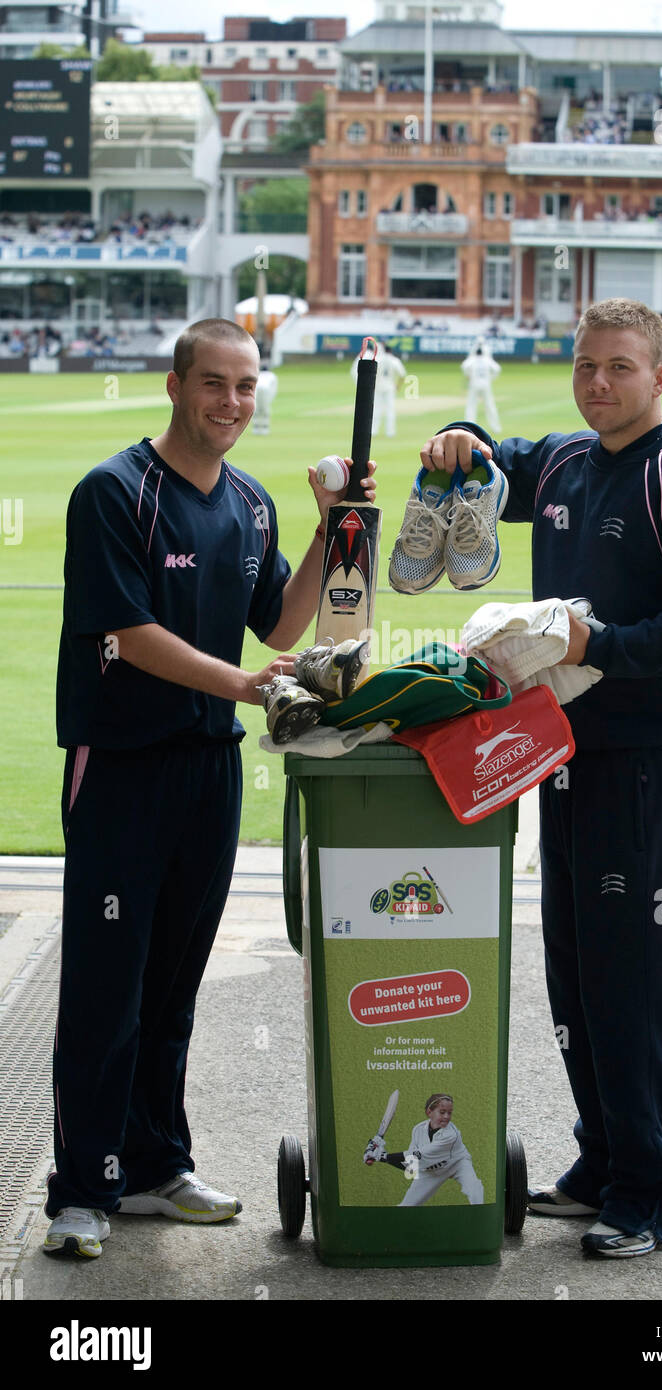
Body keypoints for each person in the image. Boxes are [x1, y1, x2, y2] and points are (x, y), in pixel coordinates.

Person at [420, 298, 662, 1258]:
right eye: (583, 367)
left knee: (637, 978)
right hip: (559, 754)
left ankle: (650, 1195)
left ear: (659, 375)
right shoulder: (569, 460)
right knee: (573, 966)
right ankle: (601, 1158)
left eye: (618, 368)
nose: (598, 383)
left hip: (651, 763)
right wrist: (462, 440)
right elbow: (500, 462)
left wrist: (593, 641)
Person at [45, 318, 375, 1258]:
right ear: (175, 384)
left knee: (174, 981)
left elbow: (278, 624)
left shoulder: (251, 503)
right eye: (215, 384)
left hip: (207, 769)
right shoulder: (113, 493)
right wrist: (246, 687)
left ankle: (154, 1165)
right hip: (121, 766)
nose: (231, 403)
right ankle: (81, 1189)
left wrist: (330, 527)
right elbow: (129, 632)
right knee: (107, 985)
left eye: (246, 386)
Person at [364, 1094, 483, 1207]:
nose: (447, 1116)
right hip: (430, 1171)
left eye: (449, 1113)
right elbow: (411, 1167)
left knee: (474, 1189)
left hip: (458, 1164)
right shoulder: (418, 1130)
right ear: (429, 1112)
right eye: (442, 1112)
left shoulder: (451, 1135)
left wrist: (381, 1156)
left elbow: (416, 1155)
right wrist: (382, 1157)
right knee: (405, 1207)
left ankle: (479, 1219)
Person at [351, 341, 406, 437]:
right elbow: (402, 374)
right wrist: (398, 386)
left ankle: (374, 430)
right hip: (390, 387)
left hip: (377, 387)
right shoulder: (394, 360)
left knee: (376, 409)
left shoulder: (377, 359)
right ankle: (390, 432)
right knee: (390, 410)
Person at [461, 345, 501, 433]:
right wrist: (491, 377)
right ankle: (496, 428)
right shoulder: (487, 360)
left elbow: (464, 366)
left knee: (471, 406)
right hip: (486, 385)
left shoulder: (472, 360)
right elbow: (497, 368)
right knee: (490, 406)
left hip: (474, 385)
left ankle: (469, 427)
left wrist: (468, 375)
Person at [251, 356, 278, 435]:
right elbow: (273, 389)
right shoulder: (272, 375)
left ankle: (257, 428)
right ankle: (264, 428)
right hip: (264, 391)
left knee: (257, 409)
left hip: (258, 391)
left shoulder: (258, 374)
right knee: (265, 410)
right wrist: (270, 399)